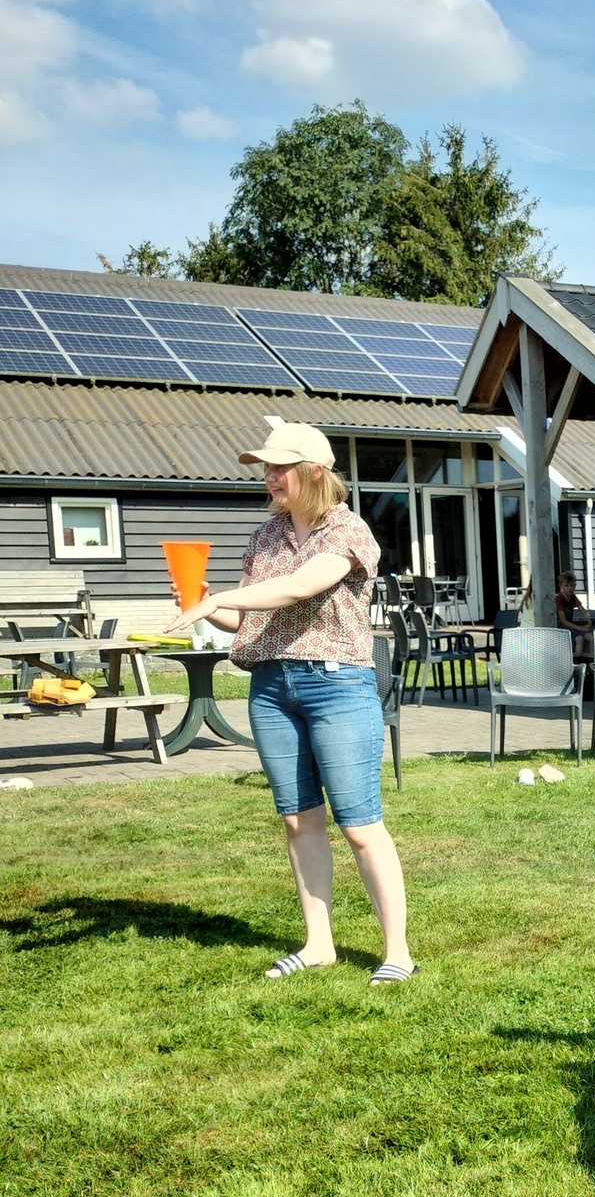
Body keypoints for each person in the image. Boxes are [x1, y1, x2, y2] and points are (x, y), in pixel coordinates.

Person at [169, 422, 417, 985]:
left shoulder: (348, 531)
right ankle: (318, 945)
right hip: (272, 688)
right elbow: (253, 618)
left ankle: (397, 952)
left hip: (337, 686)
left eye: (280, 467)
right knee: (298, 819)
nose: (269, 477)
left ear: (313, 472)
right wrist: (207, 606)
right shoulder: (265, 537)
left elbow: (304, 586)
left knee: (359, 824)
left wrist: (227, 595)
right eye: (266, 468)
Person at [554, 572, 593, 660]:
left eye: (572, 585)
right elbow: (563, 621)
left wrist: (588, 621)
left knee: (591, 637)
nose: (570, 588)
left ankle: (591, 664)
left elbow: (582, 610)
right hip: (561, 627)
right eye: (566, 585)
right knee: (579, 639)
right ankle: (576, 664)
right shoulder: (559, 598)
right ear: (561, 586)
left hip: (571, 627)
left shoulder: (573, 597)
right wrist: (582, 628)